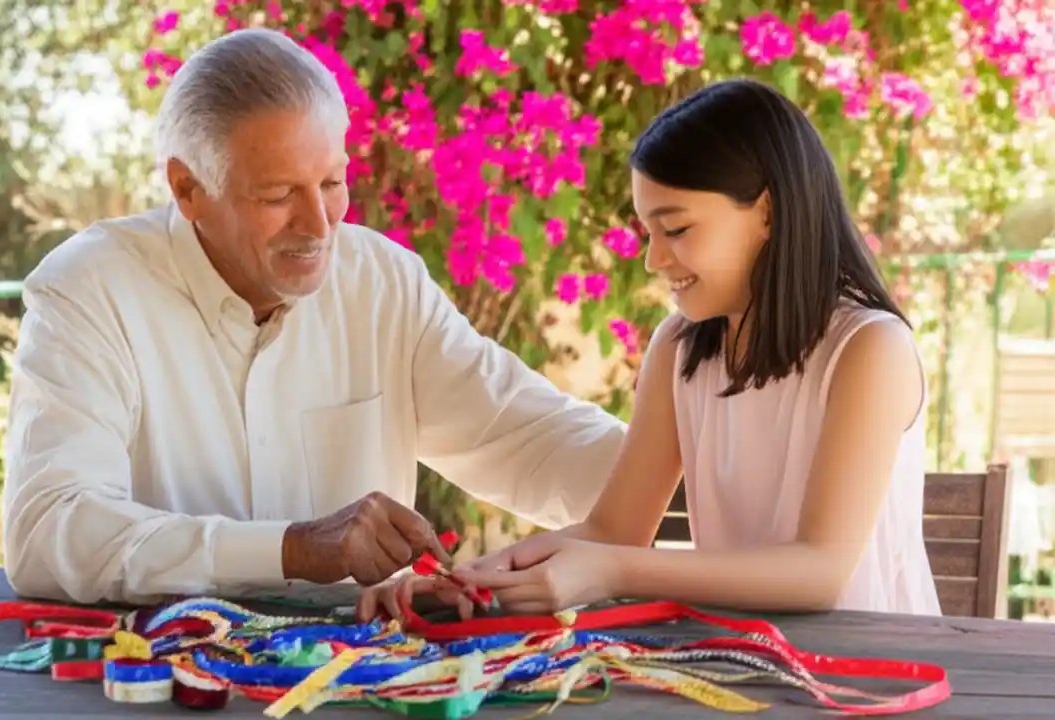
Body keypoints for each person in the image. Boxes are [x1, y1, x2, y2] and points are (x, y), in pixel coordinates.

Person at [0, 28, 627, 605]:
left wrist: (698, 478)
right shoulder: (90, 289)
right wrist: (294, 549)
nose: (319, 225)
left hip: (369, 683)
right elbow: (50, 531)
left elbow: (523, 436)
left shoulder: (383, 282)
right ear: (188, 190)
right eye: (277, 196)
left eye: (331, 183)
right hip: (150, 684)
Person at [360, 78, 942, 621]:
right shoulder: (682, 348)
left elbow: (821, 572)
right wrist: (471, 582)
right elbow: (613, 530)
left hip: (866, 672)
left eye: (677, 229)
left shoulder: (869, 349)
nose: (654, 259)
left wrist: (612, 571)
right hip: (736, 661)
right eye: (648, 232)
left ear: (766, 212)